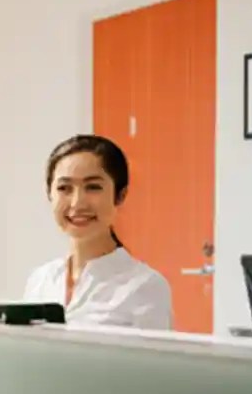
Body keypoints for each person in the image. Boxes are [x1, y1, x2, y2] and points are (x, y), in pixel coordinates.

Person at [22, 134, 173, 330]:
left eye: (93, 187)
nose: (77, 203)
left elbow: (154, 360)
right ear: (49, 194)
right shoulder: (40, 280)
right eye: (64, 188)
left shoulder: (145, 287)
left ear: (120, 196)